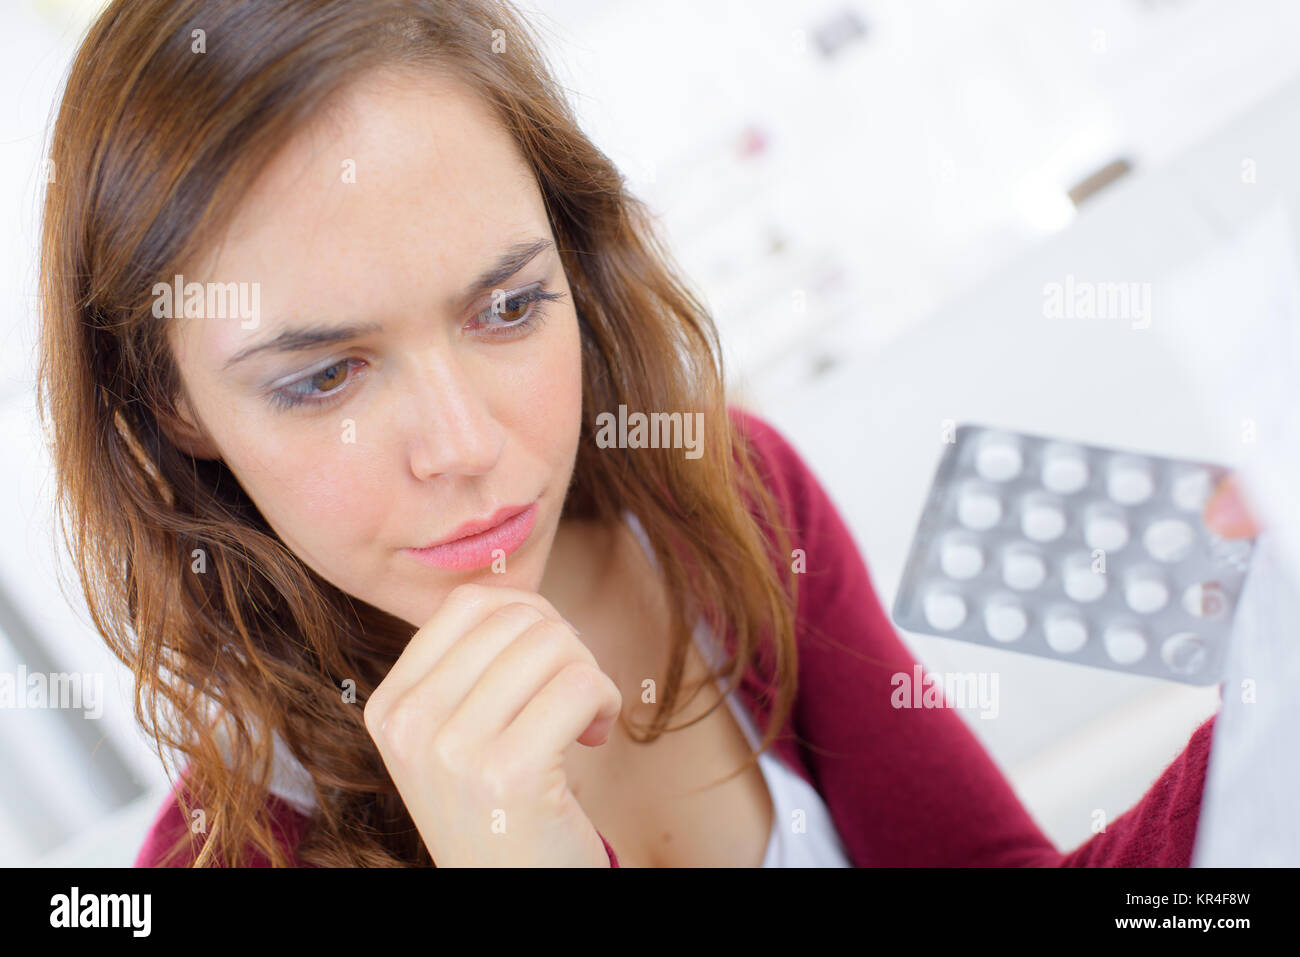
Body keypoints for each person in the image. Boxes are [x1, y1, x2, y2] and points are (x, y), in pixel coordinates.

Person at [36, 0, 1252, 868]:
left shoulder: (726, 502)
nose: (465, 445)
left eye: (508, 307)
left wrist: (1271, 690)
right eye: (324, 378)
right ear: (171, 404)